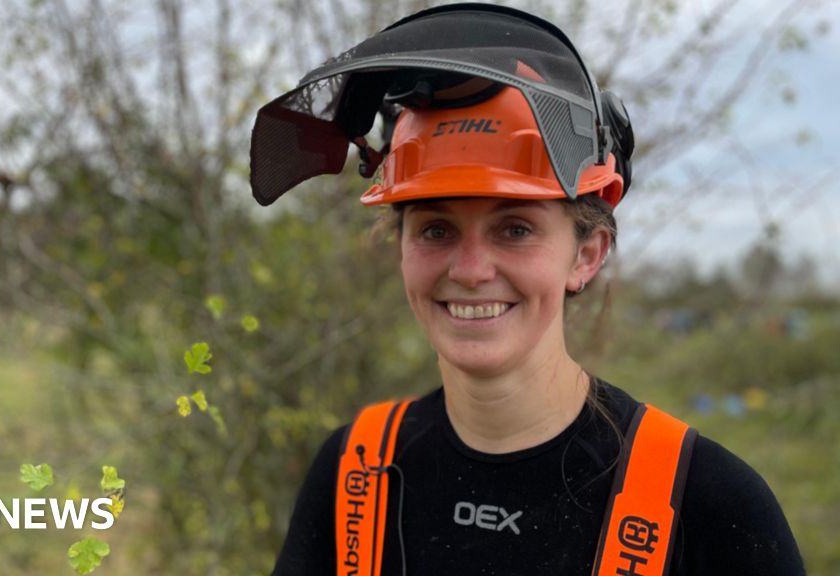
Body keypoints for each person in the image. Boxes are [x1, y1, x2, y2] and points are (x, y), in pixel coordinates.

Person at [249, 4, 804, 575]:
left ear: (587, 255)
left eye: (515, 229)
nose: (469, 269)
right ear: (401, 249)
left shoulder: (713, 508)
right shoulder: (352, 474)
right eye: (435, 229)